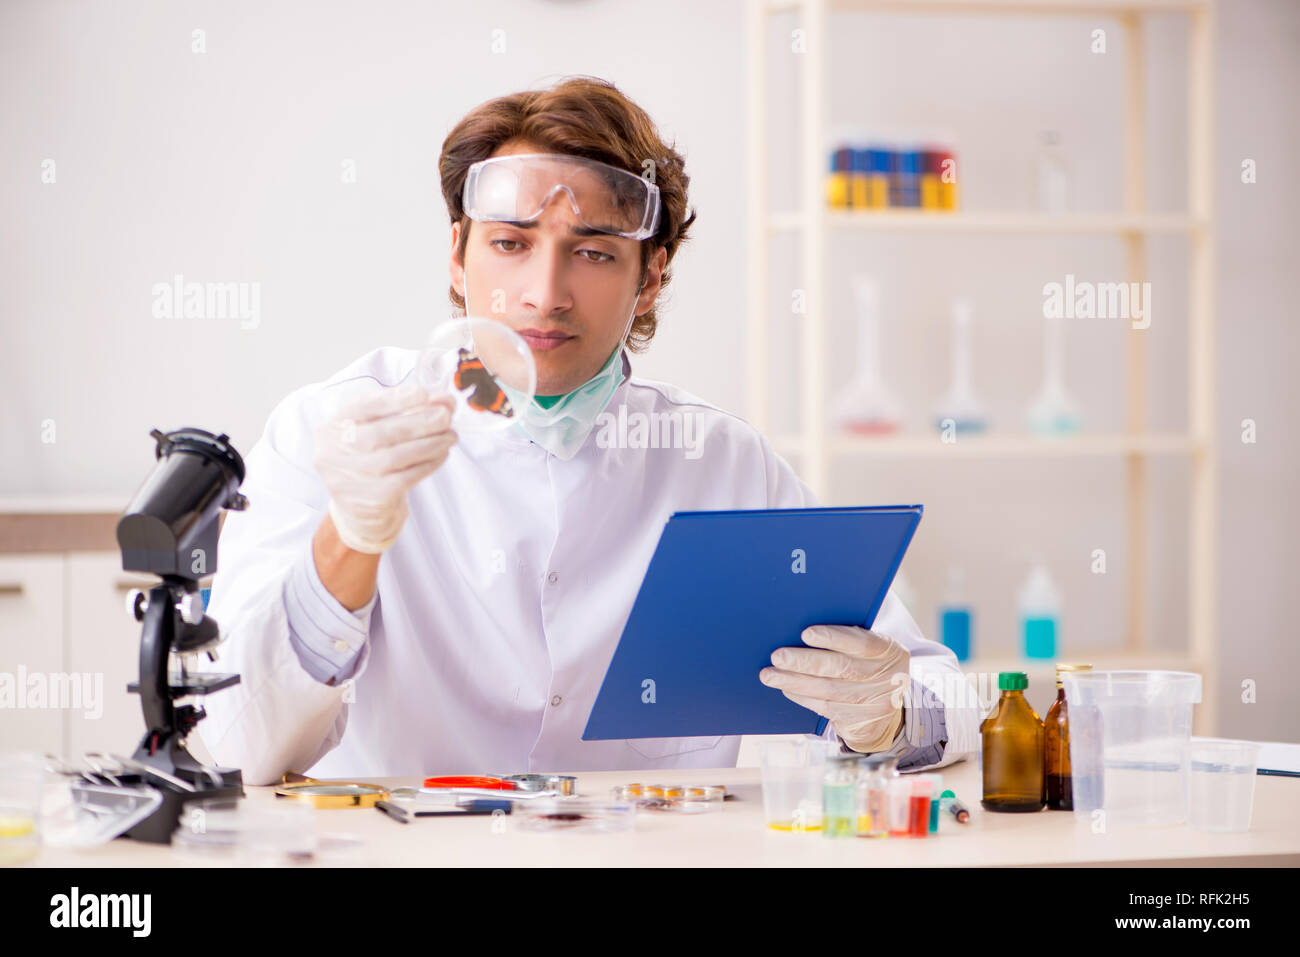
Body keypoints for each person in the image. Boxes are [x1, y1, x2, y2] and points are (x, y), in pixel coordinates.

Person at [197, 76, 980, 786]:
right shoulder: (332, 431)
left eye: (594, 252)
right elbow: (241, 746)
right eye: (510, 244)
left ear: (652, 280)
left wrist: (889, 712)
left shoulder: (725, 465)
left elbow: (951, 700)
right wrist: (350, 538)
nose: (545, 294)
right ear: (459, 261)